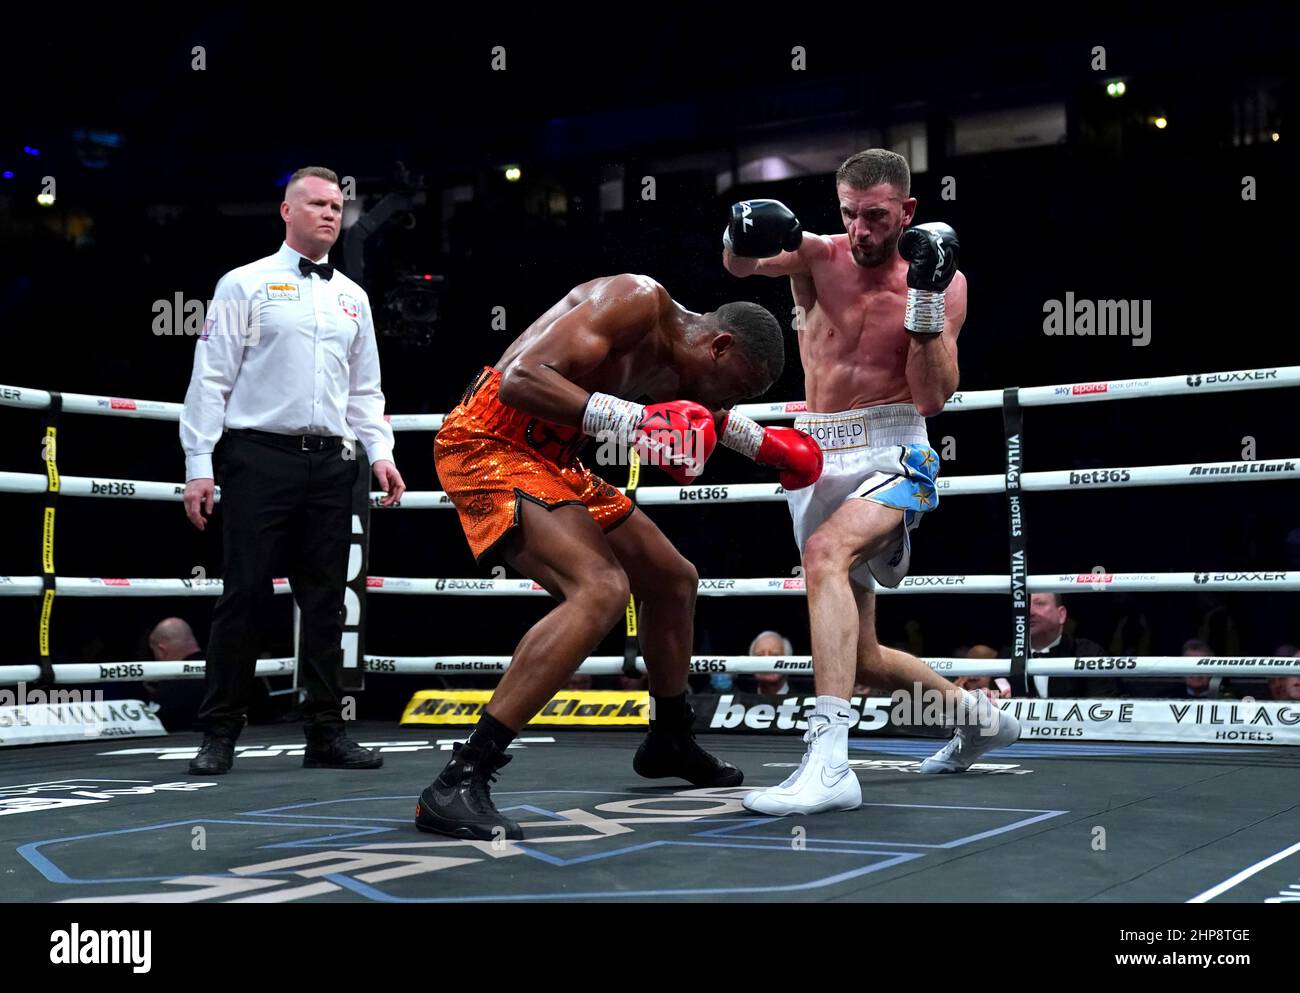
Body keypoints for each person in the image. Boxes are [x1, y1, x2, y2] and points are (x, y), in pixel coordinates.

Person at [416, 273, 823, 840]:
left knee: (672, 580)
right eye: (731, 387)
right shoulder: (634, 303)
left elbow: (704, 415)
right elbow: (518, 379)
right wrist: (633, 420)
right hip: (490, 442)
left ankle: (670, 737)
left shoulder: (683, 360)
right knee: (600, 589)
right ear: (719, 345)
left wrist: (766, 445)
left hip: (560, 459)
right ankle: (459, 778)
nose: (723, 403)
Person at [722, 148, 1020, 815]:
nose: (861, 230)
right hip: (818, 455)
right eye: (851, 214)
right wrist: (736, 233)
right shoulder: (818, 256)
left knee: (825, 555)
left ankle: (830, 763)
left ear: (907, 212)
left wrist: (921, 302)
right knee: (863, 658)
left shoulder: (945, 283)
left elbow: (934, 396)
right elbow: (740, 264)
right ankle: (984, 721)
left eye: (877, 217)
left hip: (895, 450)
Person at [180, 166, 406, 775]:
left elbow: (366, 391)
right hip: (259, 457)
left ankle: (327, 732)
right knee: (244, 595)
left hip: (334, 464)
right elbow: (211, 378)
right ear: (286, 211)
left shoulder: (352, 297)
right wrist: (199, 465)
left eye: (337, 205)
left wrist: (380, 453)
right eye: (317, 204)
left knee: (328, 602)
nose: (330, 214)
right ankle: (220, 731)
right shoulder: (242, 285)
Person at [1027, 593, 1117, 698]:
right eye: (1026, 605)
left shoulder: (1089, 654)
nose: (1030, 612)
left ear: (1061, 615)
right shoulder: (1007, 657)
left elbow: (1104, 707)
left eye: (1039, 604)